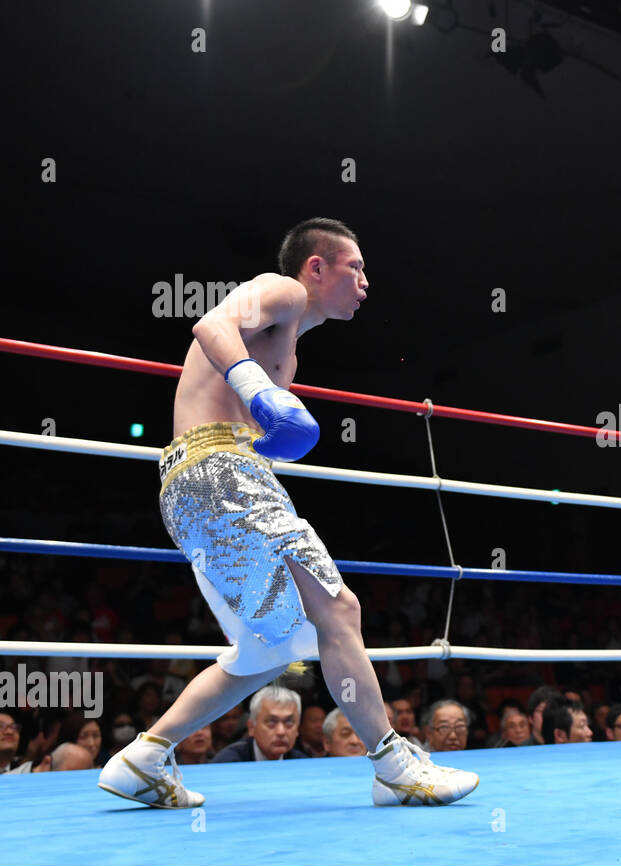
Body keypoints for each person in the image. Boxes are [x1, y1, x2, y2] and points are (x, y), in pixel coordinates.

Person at [98, 218, 477, 807]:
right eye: (355, 267)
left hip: (204, 483)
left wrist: (267, 400)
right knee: (337, 606)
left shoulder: (291, 347)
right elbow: (210, 323)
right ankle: (391, 765)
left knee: (268, 648)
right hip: (220, 472)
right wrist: (259, 391)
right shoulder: (285, 289)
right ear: (317, 267)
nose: (365, 282)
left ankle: (143, 756)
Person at [211, 686, 310, 762]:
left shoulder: (303, 763)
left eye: (289, 722)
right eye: (271, 722)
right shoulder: (228, 763)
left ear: (297, 729)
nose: (281, 732)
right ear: (251, 727)